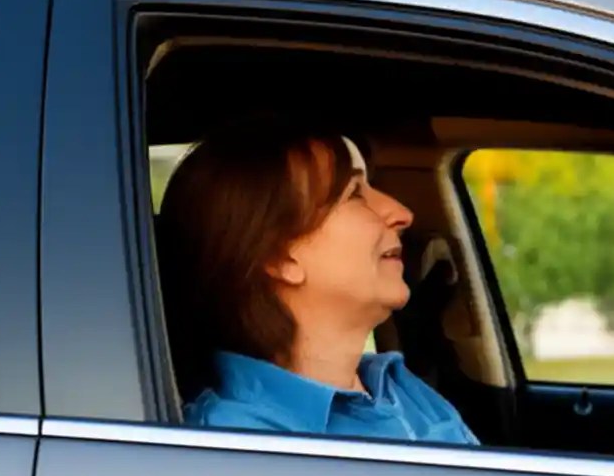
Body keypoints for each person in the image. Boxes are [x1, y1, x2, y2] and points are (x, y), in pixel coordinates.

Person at [156, 115, 479, 445]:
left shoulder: (401, 388)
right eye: (354, 193)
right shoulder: (238, 442)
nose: (401, 213)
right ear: (280, 257)